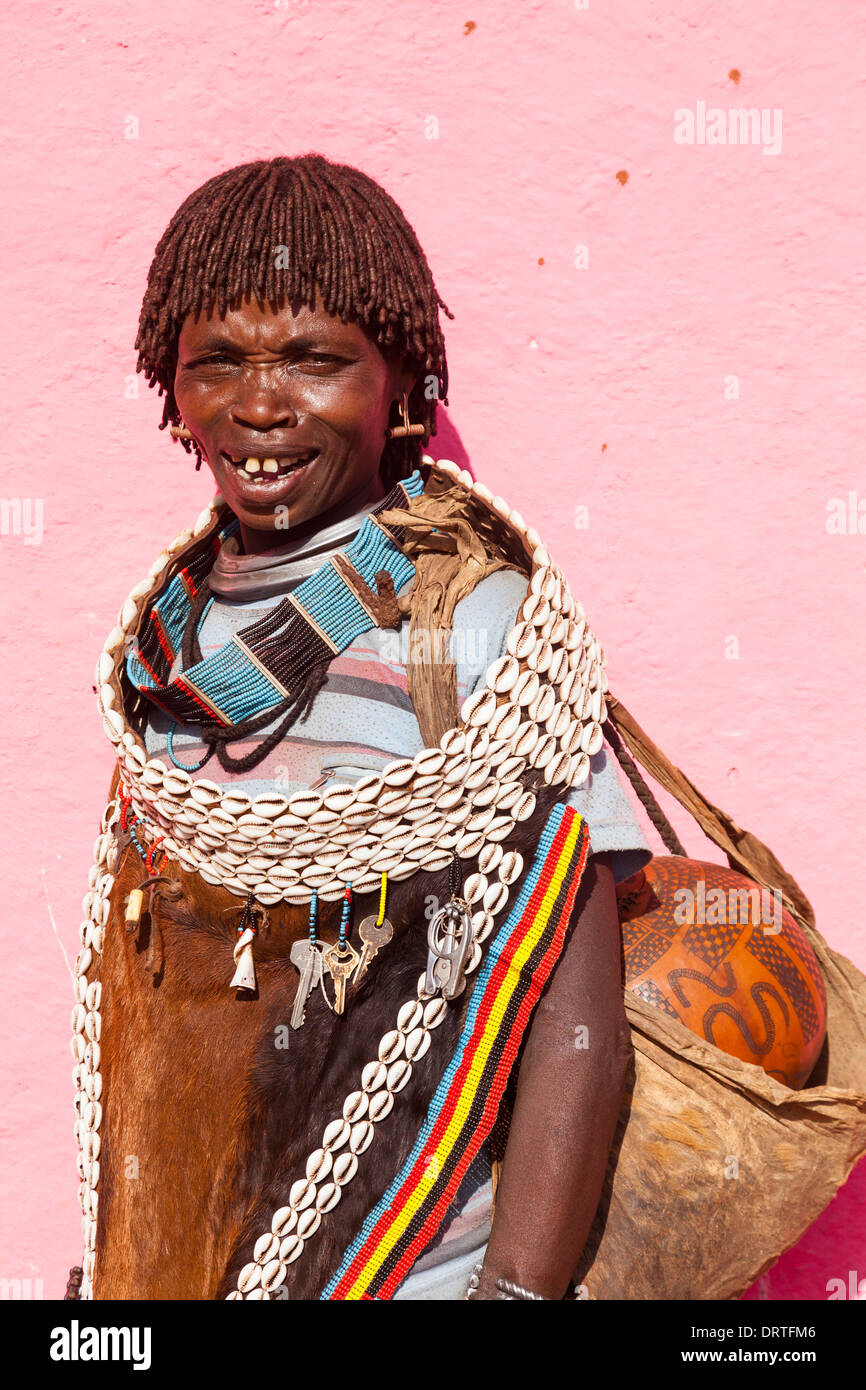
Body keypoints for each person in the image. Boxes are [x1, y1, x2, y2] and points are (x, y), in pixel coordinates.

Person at [71, 153, 653, 1301]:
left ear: (403, 379)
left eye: (315, 362)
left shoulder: (472, 627)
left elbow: (575, 1017)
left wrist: (516, 1294)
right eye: (216, 365)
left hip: (413, 1268)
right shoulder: (170, 645)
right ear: (166, 383)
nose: (259, 407)